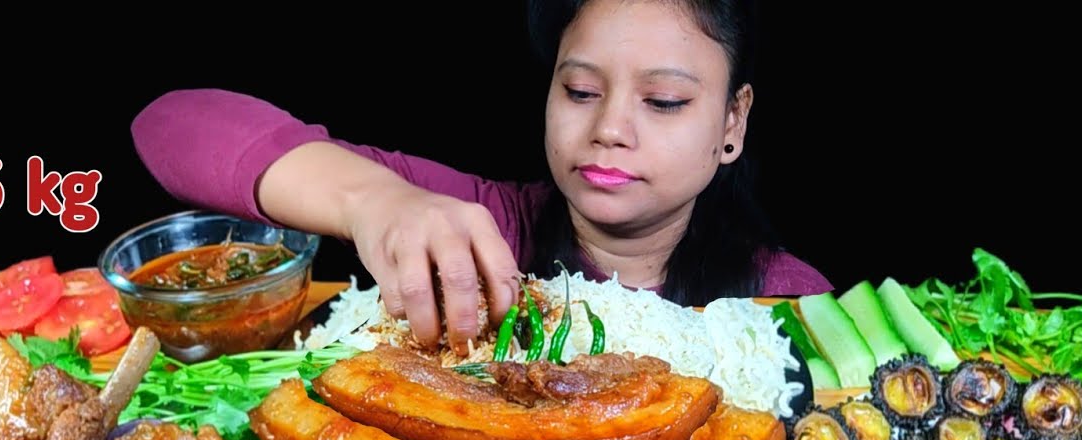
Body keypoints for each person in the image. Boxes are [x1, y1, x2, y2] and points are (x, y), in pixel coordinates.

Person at [130, 0, 833, 356]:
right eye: (581, 91)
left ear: (732, 122)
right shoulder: (481, 220)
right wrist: (376, 199)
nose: (610, 127)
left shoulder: (794, 301)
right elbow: (170, 125)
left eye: (664, 102)